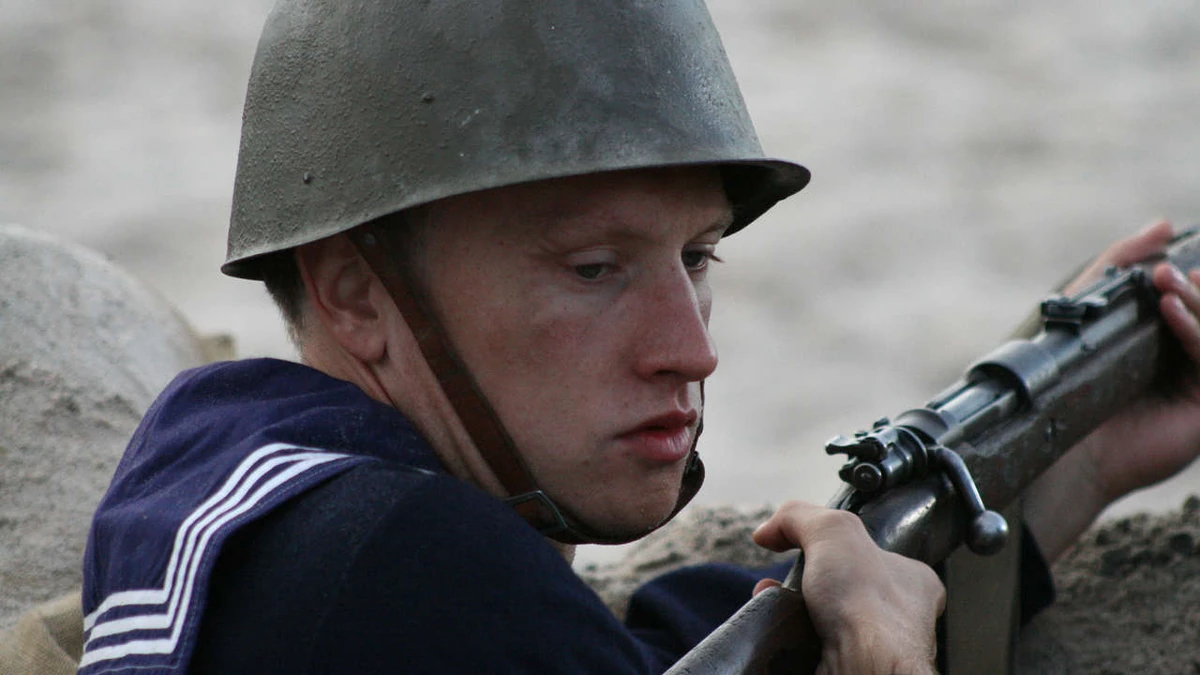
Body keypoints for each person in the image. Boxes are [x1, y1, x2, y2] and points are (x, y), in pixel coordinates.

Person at [71, 1, 1200, 674]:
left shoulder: (218, 475)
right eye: (594, 269)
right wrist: (886, 650)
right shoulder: (411, 570)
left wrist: (1077, 446)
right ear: (357, 294)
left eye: (696, 258)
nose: (689, 350)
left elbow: (637, 642)